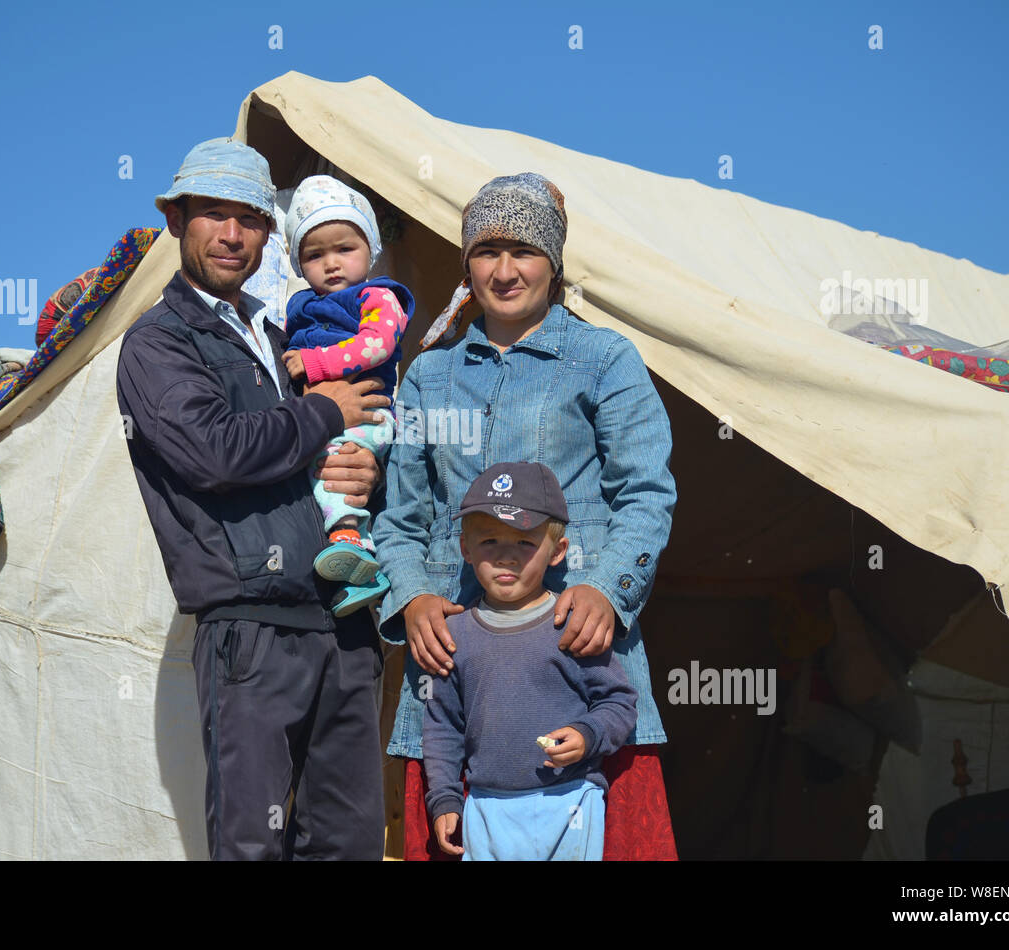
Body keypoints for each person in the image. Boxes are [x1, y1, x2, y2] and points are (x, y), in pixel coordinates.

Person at [373, 172, 681, 861]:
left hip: (579, 658)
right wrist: (414, 595)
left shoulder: (604, 361)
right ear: (466, 263)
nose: (505, 271)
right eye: (486, 252)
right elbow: (398, 517)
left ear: (555, 261)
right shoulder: (429, 377)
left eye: (525, 251)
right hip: (455, 667)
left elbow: (647, 492)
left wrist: (607, 588)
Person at [115, 139, 389, 860]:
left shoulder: (287, 332)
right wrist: (328, 413)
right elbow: (215, 452)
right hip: (252, 629)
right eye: (213, 214)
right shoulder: (160, 343)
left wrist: (364, 472)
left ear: (270, 235)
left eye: (250, 219)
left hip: (347, 624)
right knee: (251, 845)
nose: (232, 235)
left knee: (349, 844)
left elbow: (330, 446)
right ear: (177, 220)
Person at [424, 462, 637, 860]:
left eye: (524, 543)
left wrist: (587, 734)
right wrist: (445, 800)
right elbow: (442, 727)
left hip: (571, 801)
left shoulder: (572, 627)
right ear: (465, 549)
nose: (506, 557)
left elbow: (620, 704)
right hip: (486, 809)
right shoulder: (456, 636)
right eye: (489, 542)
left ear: (557, 551)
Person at [280, 175, 414, 616]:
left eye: (345, 249)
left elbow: (378, 344)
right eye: (315, 255)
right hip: (324, 416)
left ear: (370, 250)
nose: (331, 264)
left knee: (337, 466)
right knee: (314, 475)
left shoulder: (376, 296)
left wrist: (317, 366)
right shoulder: (299, 307)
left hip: (367, 414)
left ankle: (347, 538)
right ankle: (365, 569)